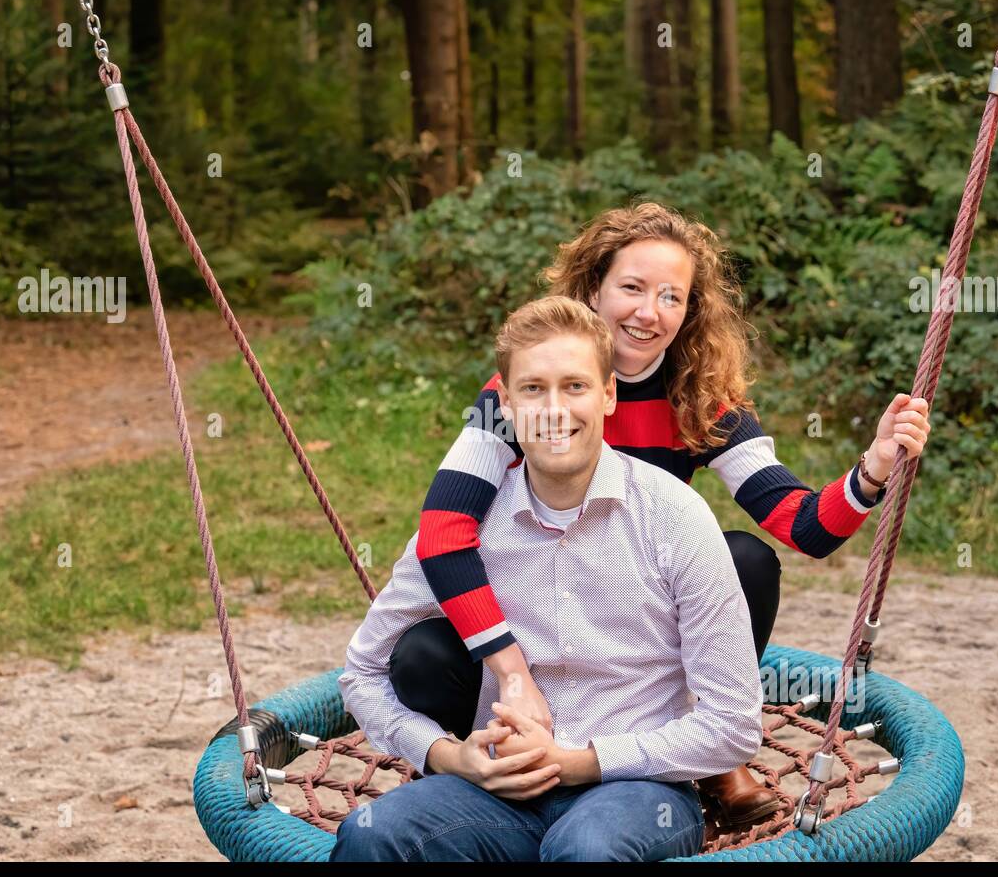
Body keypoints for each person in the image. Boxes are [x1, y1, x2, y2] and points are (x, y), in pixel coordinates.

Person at [395, 202, 932, 828]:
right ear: (593, 290)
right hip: (534, 612)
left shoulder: (700, 398)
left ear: (689, 312)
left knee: (747, 558)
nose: (649, 312)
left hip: (639, 615)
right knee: (420, 653)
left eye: (672, 297)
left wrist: (872, 467)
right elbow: (442, 535)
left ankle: (705, 749)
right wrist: (510, 670)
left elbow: (802, 526)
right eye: (631, 288)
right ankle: (473, 764)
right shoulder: (524, 391)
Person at [332, 296, 763, 861]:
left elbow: (733, 723)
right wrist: (446, 755)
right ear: (505, 405)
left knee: (586, 849)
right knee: (372, 834)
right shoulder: (469, 525)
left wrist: (582, 761)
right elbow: (362, 672)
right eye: (534, 389)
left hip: (633, 790)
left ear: (609, 395)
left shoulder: (673, 516)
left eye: (575, 387)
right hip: (499, 790)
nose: (555, 409)